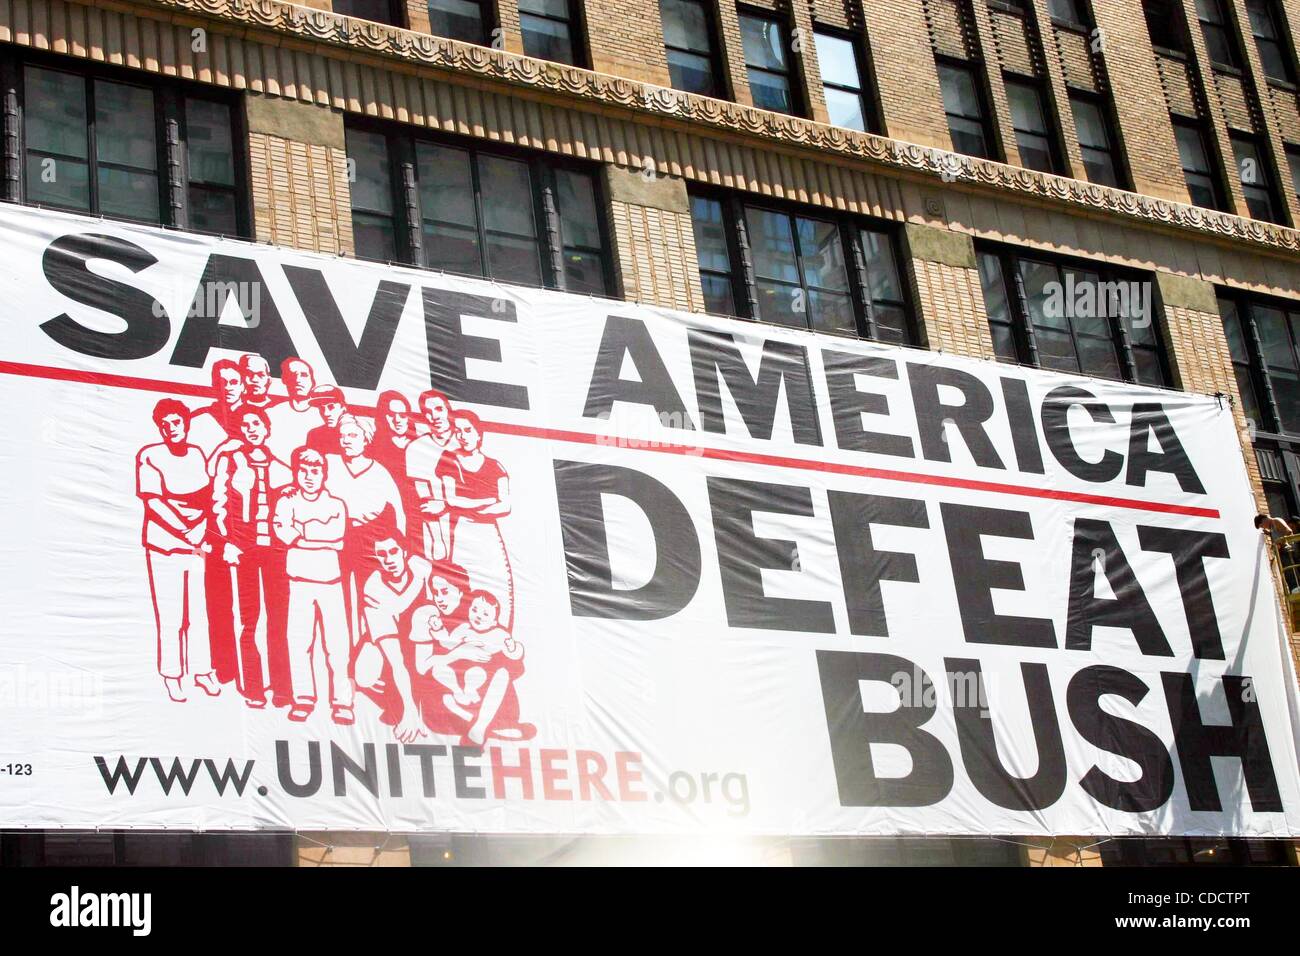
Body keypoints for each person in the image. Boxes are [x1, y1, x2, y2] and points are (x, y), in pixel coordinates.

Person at [136, 399, 220, 703]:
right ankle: (172, 675)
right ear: (159, 427)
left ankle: (202, 671)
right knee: (171, 614)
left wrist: (201, 531)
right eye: (166, 424)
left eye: (177, 423)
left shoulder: (197, 454)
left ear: (186, 424)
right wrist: (187, 530)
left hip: (197, 547)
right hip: (164, 546)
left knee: (199, 612)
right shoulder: (150, 455)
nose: (172, 429)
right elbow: (154, 502)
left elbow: (208, 496)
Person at [210, 407, 292, 707]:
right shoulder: (230, 462)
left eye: (257, 423)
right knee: (249, 620)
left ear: (267, 428)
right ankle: (254, 687)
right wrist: (228, 541)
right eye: (245, 425)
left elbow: (288, 513)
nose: (251, 428)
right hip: (243, 550)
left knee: (278, 619)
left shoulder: (282, 468)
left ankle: (282, 688)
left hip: (274, 553)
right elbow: (219, 504)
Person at [273, 446, 353, 724]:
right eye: (303, 471)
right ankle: (303, 698)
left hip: (331, 582)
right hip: (298, 583)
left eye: (315, 471)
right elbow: (284, 533)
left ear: (324, 474)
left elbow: (339, 536)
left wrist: (303, 530)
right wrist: (321, 535)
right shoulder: (285, 502)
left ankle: (342, 702)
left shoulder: (336, 505)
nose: (309, 476)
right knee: (298, 643)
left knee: (338, 645)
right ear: (295, 473)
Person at [327, 414, 406, 643]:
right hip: (335, 537)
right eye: (342, 436)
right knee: (339, 596)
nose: (346, 441)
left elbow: (399, 513)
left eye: (352, 435)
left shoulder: (380, 472)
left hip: (367, 539)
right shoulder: (330, 463)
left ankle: (369, 650)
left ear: (365, 439)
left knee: (368, 595)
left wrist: (400, 548)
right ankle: (344, 650)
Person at [436, 409, 514, 628]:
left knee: (497, 585)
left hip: (489, 534)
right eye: (458, 431)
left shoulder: (494, 466)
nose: (463, 435)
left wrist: (472, 505)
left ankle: (500, 636)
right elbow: (452, 500)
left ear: (478, 434)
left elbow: (505, 505)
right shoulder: (449, 459)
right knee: (463, 586)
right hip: (462, 532)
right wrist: (486, 501)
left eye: (467, 430)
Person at [353, 532, 430, 743]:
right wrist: (409, 710)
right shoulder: (374, 587)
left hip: (417, 640)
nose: (389, 559)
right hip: (389, 645)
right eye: (382, 554)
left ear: (404, 552)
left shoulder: (419, 565)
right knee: (364, 675)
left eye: (394, 551)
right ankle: (397, 700)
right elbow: (399, 605)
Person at [405, 390, 459, 562]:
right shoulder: (416, 448)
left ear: (448, 410)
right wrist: (438, 540)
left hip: (466, 522)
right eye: (427, 413)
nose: (434, 416)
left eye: (438, 409)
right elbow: (425, 498)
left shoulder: (464, 441)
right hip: (434, 527)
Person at [189, 359, 245, 460]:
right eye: (222, 382)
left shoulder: (258, 416)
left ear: (242, 386)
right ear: (214, 386)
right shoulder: (200, 415)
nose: (228, 387)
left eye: (234, 382)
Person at [266, 357, 318, 463]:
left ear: (312, 381)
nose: (298, 380)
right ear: (284, 380)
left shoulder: (323, 415)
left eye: (303, 375)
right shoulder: (272, 413)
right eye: (293, 375)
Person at [307, 385, 348, 457]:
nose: (326, 413)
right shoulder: (314, 435)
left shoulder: (361, 433)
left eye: (331, 407)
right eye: (322, 408)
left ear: (343, 407)